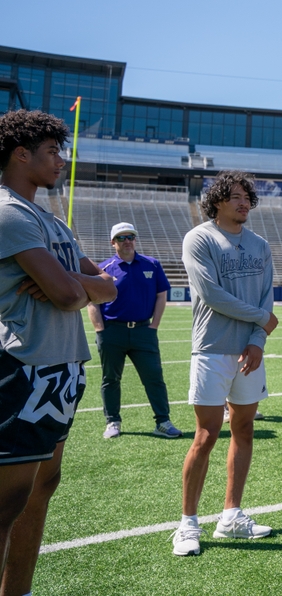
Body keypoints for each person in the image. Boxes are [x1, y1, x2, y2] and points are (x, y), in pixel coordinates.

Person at [0, 110, 117, 593]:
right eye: (52, 152)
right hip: (23, 368)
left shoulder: (47, 219)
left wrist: (73, 283)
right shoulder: (7, 212)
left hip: (61, 369)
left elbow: (108, 287)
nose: (61, 161)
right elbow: (72, 297)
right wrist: (76, 286)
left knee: (40, 492)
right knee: (6, 504)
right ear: (21, 154)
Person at [174, 171, 278, 556]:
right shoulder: (199, 238)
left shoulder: (260, 245)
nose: (243, 203)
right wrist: (260, 320)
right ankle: (187, 525)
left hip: (249, 352)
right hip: (212, 348)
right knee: (206, 435)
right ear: (216, 201)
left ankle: (231, 517)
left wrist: (257, 340)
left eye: (247, 197)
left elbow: (267, 297)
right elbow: (211, 294)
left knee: (244, 428)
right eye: (235, 196)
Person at [87, 221, 179, 440]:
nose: (127, 241)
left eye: (130, 237)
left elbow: (161, 295)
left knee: (154, 378)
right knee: (111, 379)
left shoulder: (152, 264)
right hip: (112, 332)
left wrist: (154, 326)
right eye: (121, 237)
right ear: (113, 242)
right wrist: (100, 330)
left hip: (143, 331)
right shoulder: (103, 269)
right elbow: (93, 302)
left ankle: (163, 421)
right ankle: (113, 421)